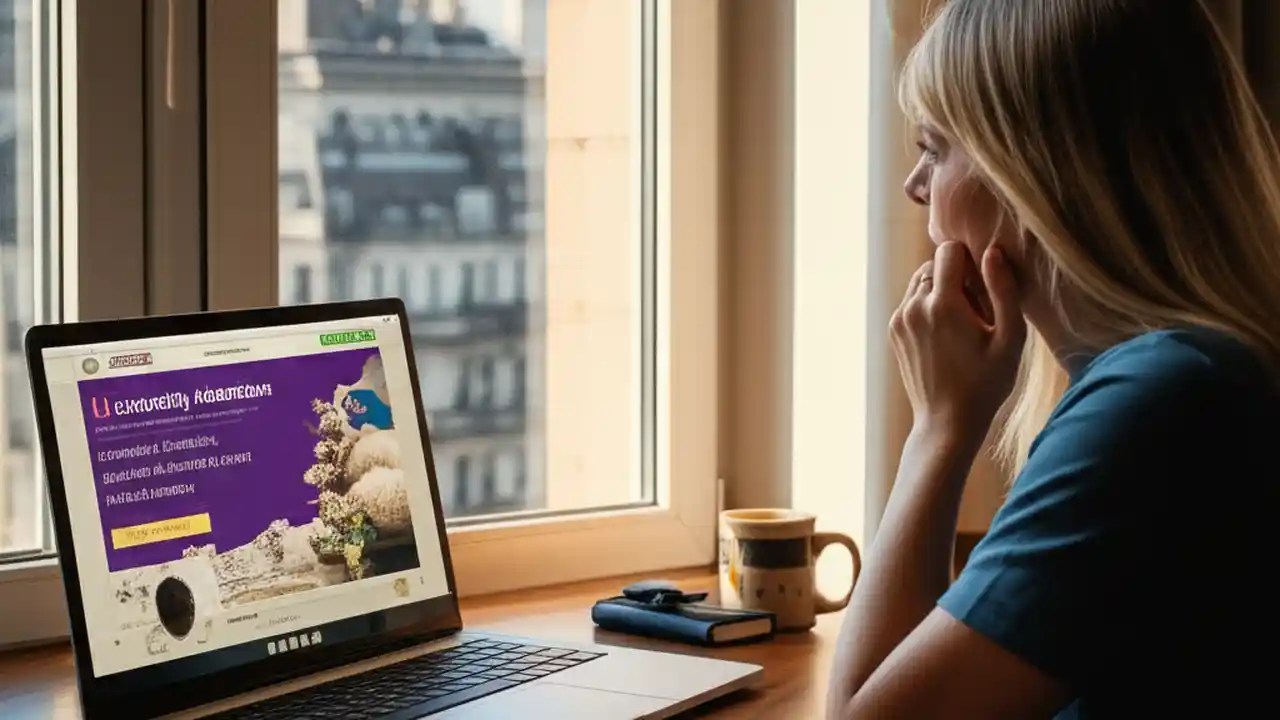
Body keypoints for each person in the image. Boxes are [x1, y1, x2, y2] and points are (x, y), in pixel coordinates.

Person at [825, 1, 1280, 717]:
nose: (917, 187)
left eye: (935, 147)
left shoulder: (1158, 399)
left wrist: (938, 431)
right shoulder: (1196, 374)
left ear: (1029, 171)